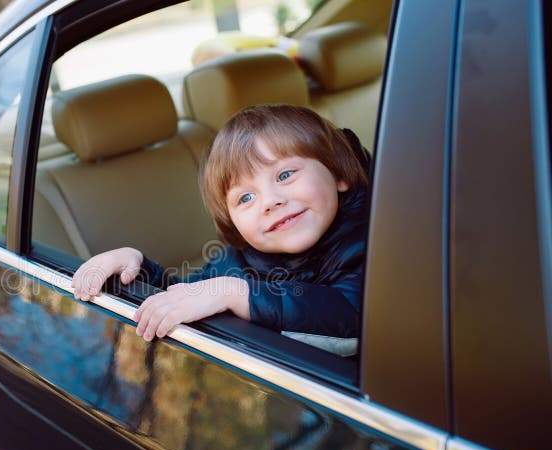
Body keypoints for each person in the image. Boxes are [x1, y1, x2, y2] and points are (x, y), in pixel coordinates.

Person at [71, 104, 370, 343]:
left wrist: (237, 294)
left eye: (285, 175)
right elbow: (182, 295)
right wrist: (135, 264)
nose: (270, 201)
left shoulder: (372, 240)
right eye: (246, 198)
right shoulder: (236, 262)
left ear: (338, 174)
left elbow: (354, 313)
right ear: (233, 223)